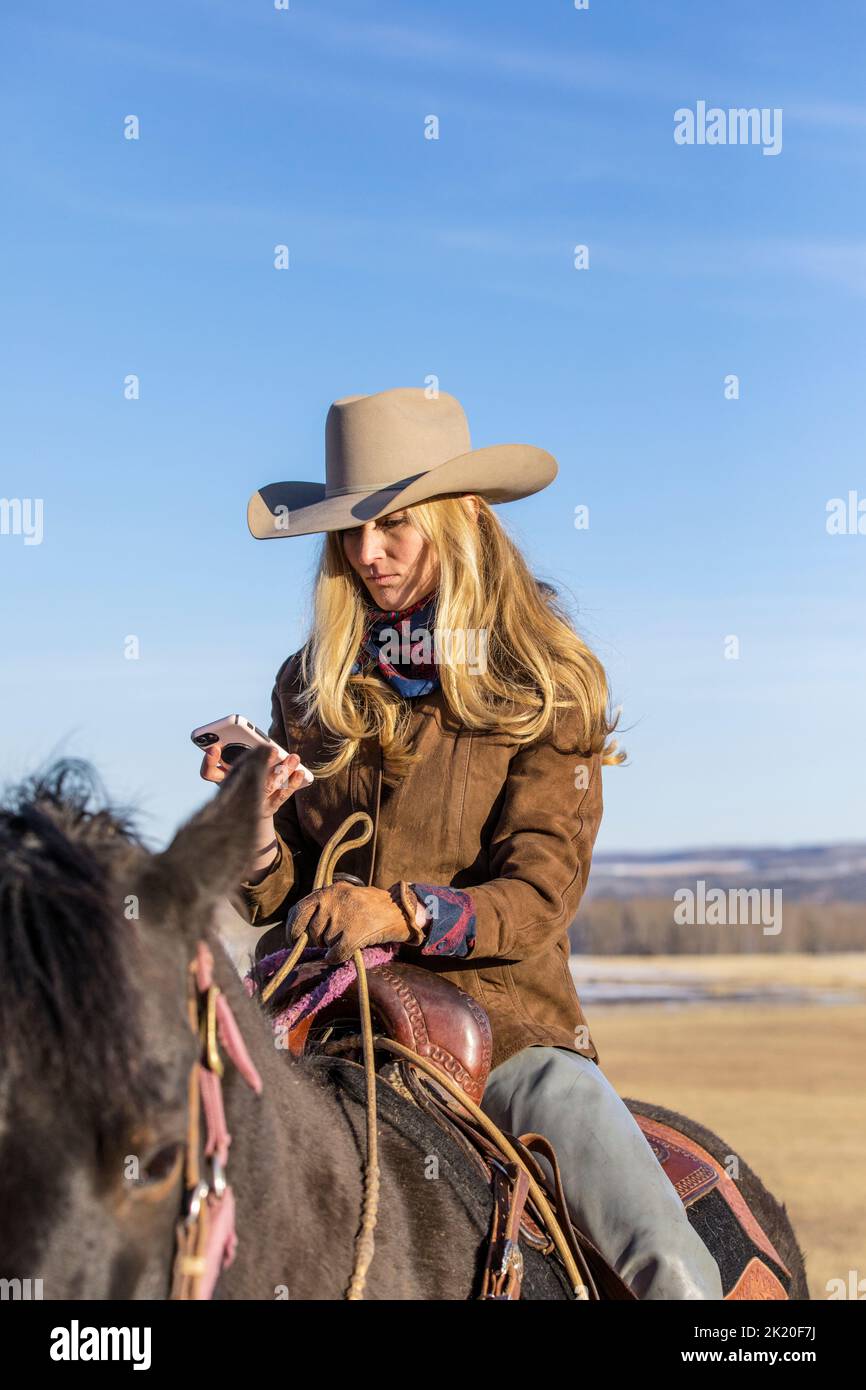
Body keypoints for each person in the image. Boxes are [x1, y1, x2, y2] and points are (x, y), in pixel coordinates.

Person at [202, 387, 723, 1300]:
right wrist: (252, 841)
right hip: (325, 1024)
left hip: (505, 1037)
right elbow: (281, 896)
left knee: (670, 1269)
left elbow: (535, 900)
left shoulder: (543, 681)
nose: (368, 553)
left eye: (394, 523)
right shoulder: (312, 683)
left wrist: (399, 911)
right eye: (349, 532)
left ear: (463, 517)